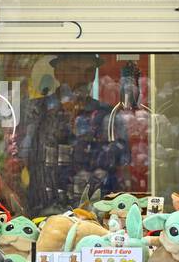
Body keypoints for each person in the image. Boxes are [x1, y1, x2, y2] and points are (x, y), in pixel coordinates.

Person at [14, 52, 121, 215]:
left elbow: (117, 169)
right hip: (39, 216)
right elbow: (15, 163)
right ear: (58, 73)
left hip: (91, 219)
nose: (83, 78)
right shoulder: (33, 111)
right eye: (74, 70)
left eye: (89, 71)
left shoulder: (105, 115)